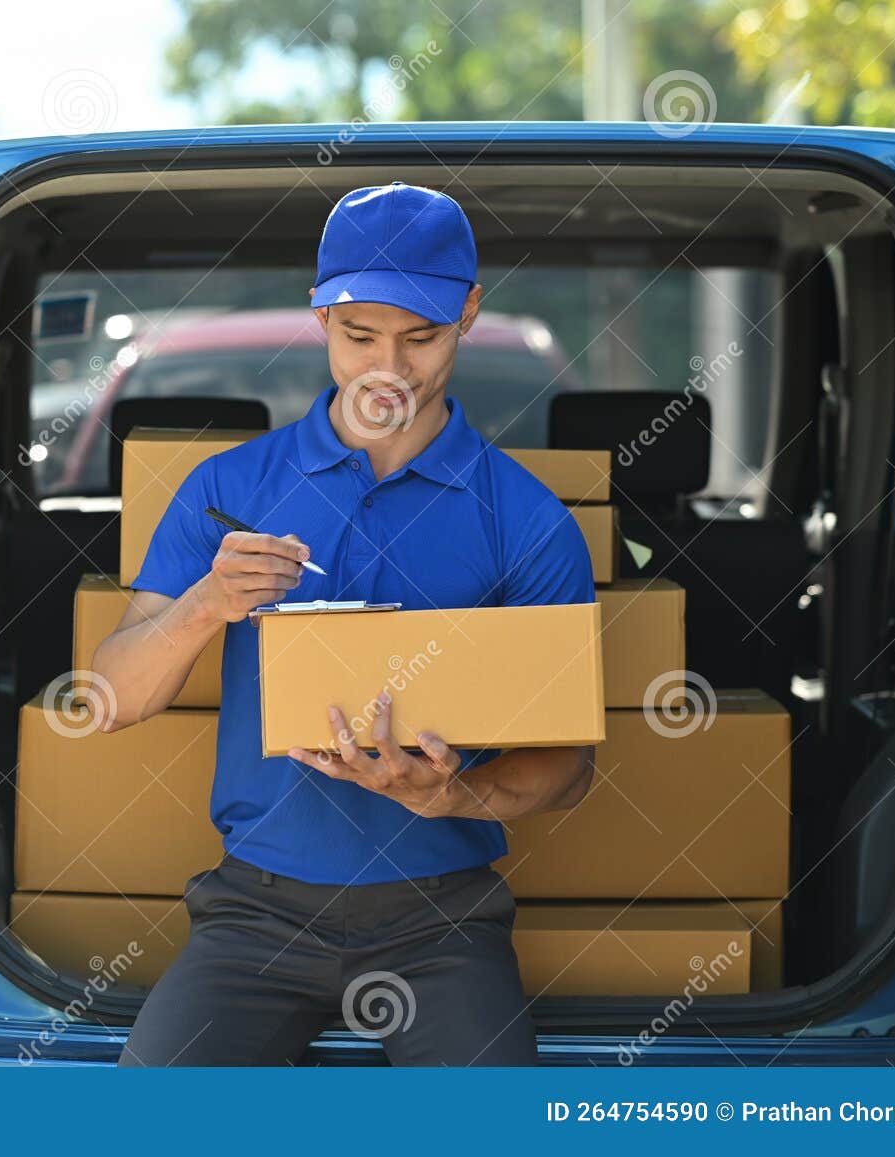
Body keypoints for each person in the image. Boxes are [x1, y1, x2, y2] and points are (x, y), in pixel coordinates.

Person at [93, 182, 596, 1066]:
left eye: (421, 337)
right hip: (255, 913)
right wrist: (208, 604)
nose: (388, 368)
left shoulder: (525, 520)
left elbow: (571, 768)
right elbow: (109, 698)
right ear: (321, 314)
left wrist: (453, 796)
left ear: (468, 313)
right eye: (360, 335)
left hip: (441, 918)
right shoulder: (227, 490)